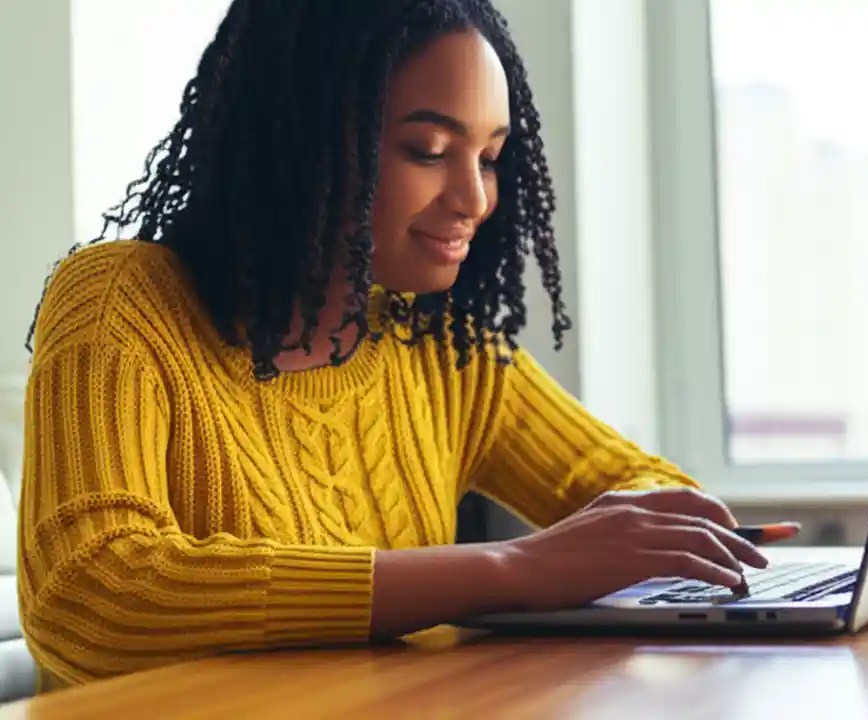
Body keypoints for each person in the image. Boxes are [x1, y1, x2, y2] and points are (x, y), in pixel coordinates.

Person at [18, 0, 768, 690]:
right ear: (301, 136)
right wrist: (507, 569)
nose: (474, 199)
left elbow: (630, 485)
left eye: (488, 157)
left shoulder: (437, 343)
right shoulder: (122, 302)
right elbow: (89, 594)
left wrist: (665, 538)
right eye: (429, 149)